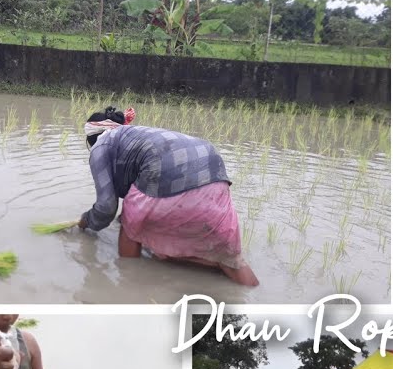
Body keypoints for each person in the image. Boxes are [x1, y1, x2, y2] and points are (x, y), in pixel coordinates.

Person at [78, 106, 259, 287]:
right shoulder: (139, 135)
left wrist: (85, 222)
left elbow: (106, 207)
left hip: (166, 175)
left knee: (129, 226)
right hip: (216, 178)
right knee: (230, 259)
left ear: (92, 137)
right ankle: (252, 293)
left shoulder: (101, 145)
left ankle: (128, 284)